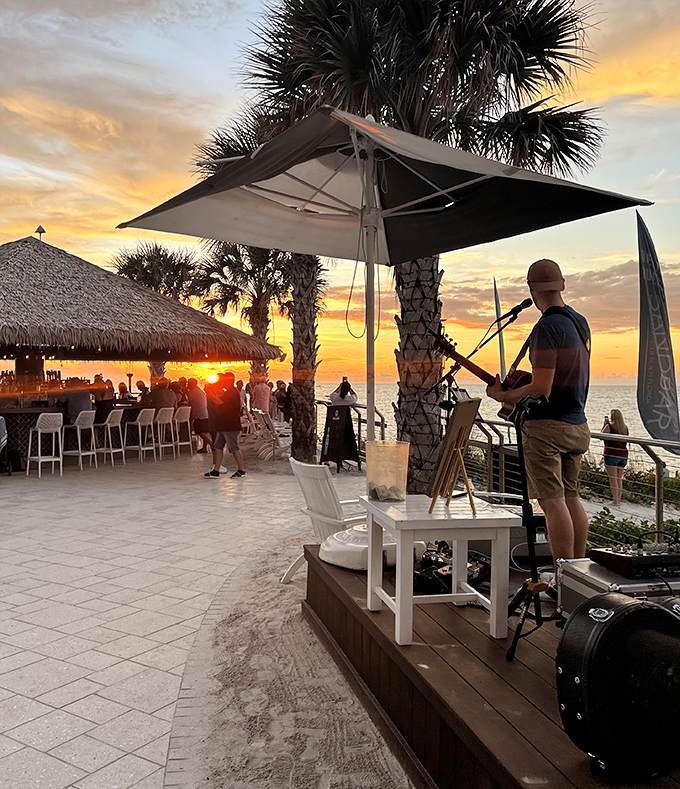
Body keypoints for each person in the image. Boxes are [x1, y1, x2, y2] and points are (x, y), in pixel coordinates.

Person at [487, 259, 591, 587]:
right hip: (577, 423)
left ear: (532, 291)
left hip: (547, 427)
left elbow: (542, 388)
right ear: (561, 285)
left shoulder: (546, 328)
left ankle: (563, 579)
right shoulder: (580, 322)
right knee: (571, 497)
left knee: (550, 501)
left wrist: (505, 396)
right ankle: (578, 577)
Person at [204, 372, 245, 479]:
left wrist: (210, 393)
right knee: (218, 447)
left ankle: (241, 470)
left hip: (230, 425)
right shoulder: (229, 392)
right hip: (223, 425)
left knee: (233, 447)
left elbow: (219, 402)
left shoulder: (232, 392)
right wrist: (211, 392)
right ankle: (216, 470)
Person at [602, 409, 628, 506]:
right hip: (623, 454)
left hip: (611, 454)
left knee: (613, 478)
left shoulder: (609, 427)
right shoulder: (624, 428)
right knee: (618, 478)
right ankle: (618, 500)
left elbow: (601, 436)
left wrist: (604, 424)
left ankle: (615, 501)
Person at [187, 378, 212, 453]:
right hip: (205, 413)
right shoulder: (199, 391)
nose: (188, 384)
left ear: (193, 383)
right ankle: (204, 448)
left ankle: (212, 444)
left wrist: (185, 391)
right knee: (205, 431)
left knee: (200, 431)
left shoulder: (193, 391)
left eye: (189, 383)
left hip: (199, 414)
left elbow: (188, 400)